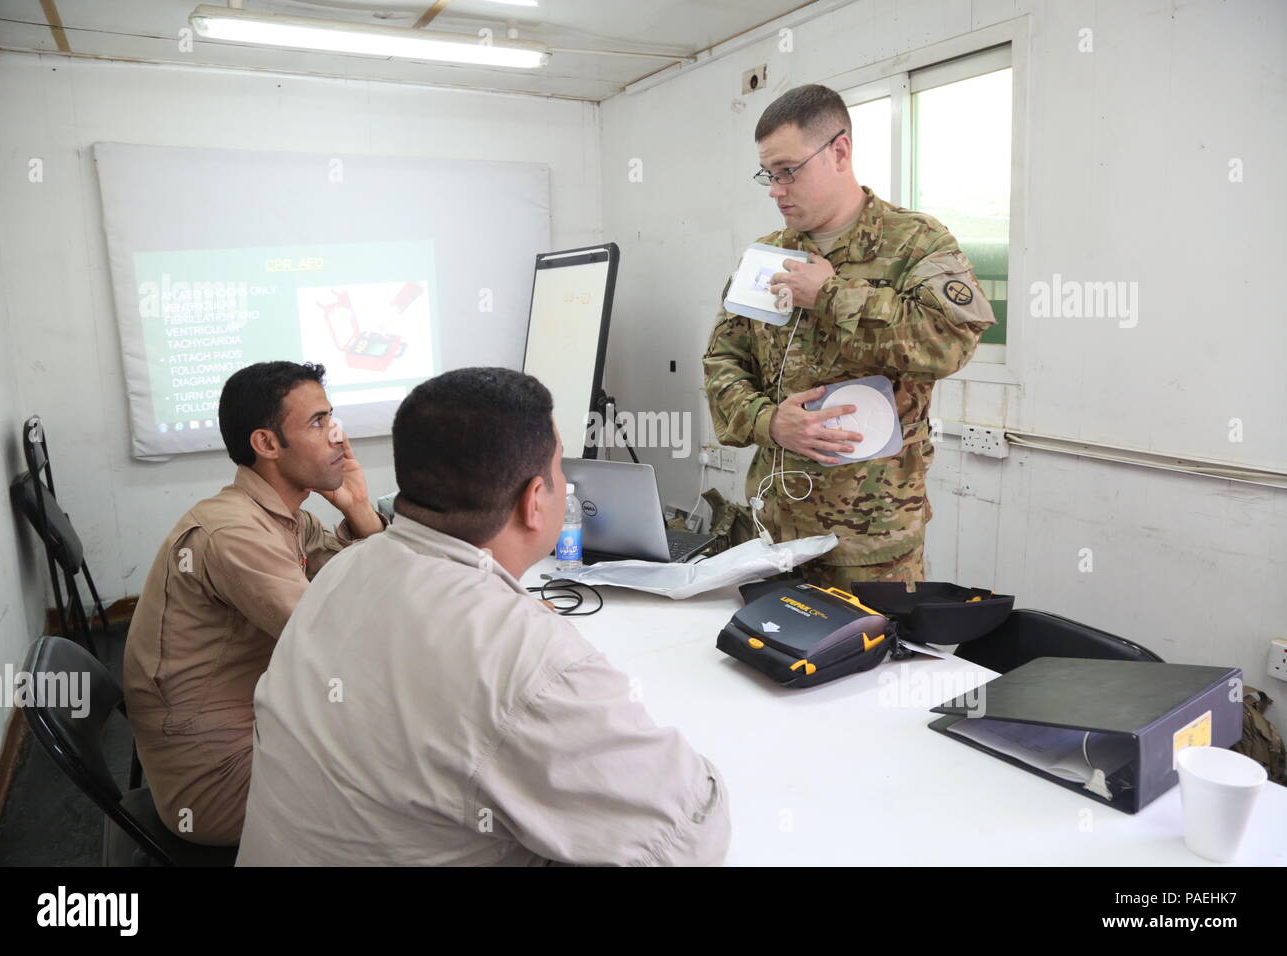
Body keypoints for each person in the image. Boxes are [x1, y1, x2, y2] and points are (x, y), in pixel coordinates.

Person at [237, 367, 730, 866]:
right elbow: (686, 837)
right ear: (534, 502)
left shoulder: (343, 571)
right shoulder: (524, 656)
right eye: (559, 473)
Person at [703, 84, 996, 590]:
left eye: (788, 171)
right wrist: (769, 422)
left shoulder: (916, 242)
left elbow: (950, 342)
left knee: (873, 666)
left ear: (839, 151)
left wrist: (832, 296)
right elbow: (721, 364)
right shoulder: (766, 256)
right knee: (768, 663)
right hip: (772, 533)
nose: (776, 189)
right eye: (768, 175)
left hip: (869, 545)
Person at [123, 361, 385, 845]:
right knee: (420, 784)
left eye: (332, 418)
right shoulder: (235, 534)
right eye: (317, 422)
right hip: (217, 782)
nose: (338, 438)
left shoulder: (284, 518)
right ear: (266, 444)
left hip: (262, 727)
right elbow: (337, 644)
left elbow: (362, 583)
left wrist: (359, 511)